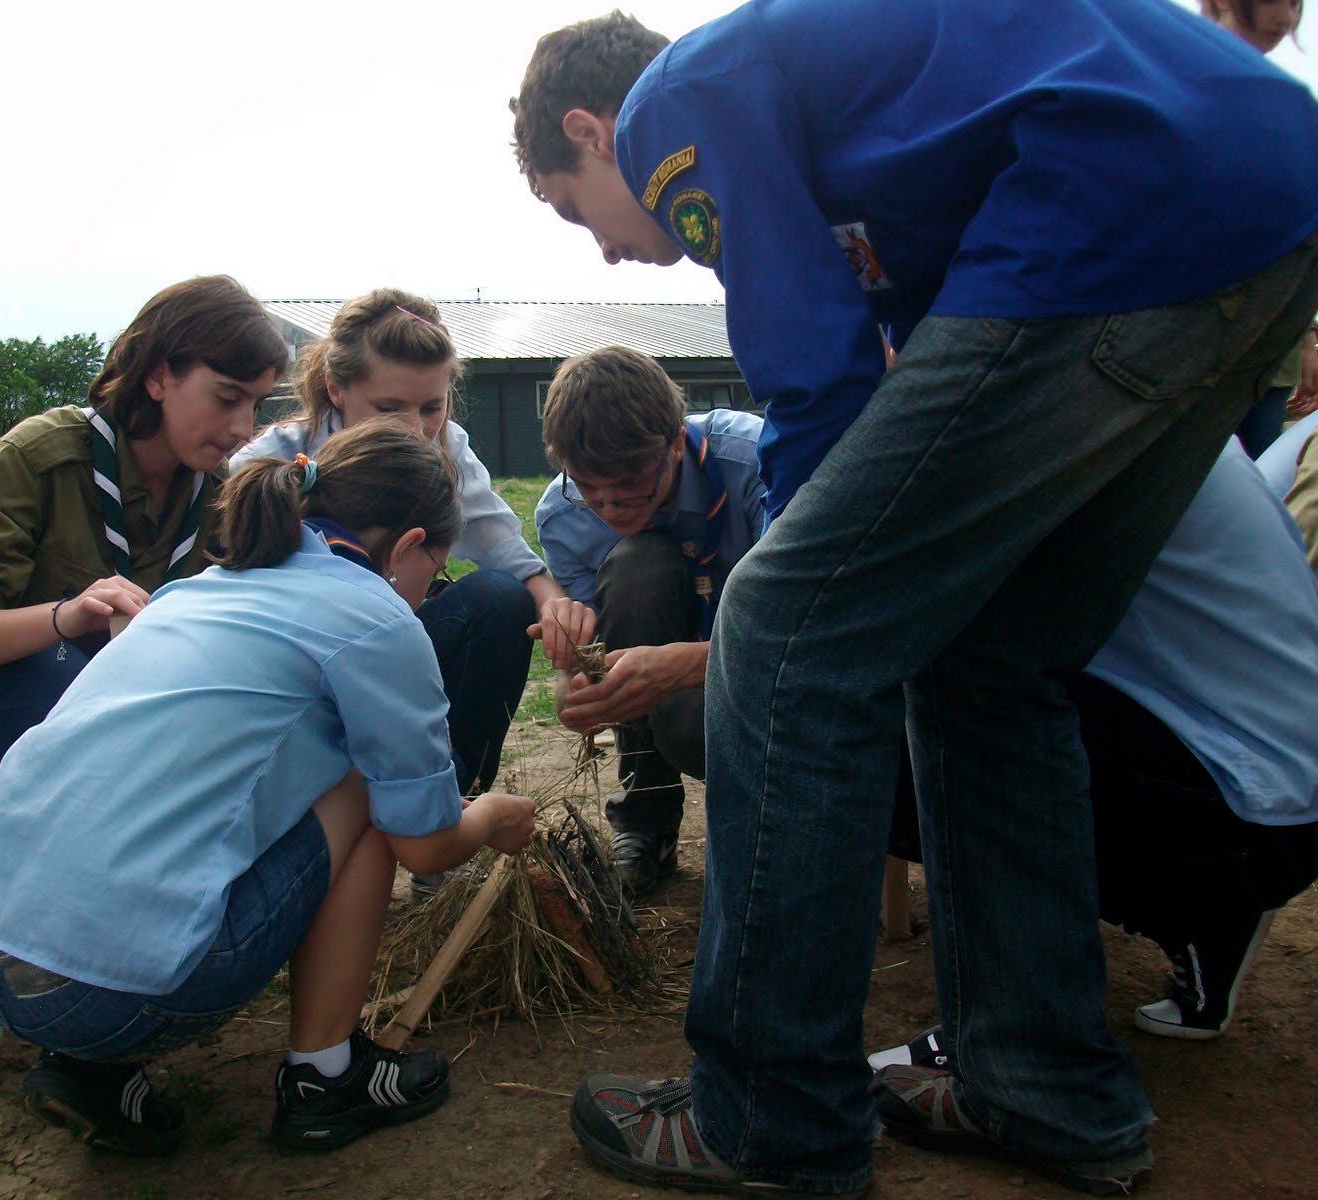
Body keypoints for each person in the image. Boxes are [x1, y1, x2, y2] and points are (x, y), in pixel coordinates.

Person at [510, 3, 1318, 1195]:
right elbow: (908, 331)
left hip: (1119, 205)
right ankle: (1039, 1082)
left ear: (592, 129)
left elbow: (816, 366)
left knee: (782, 624)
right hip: (1264, 199)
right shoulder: (856, 131)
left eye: (576, 209)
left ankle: (769, 1115)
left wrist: (805, 582)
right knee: (989, 653)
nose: (605, 251)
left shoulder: (674, 97)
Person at [0, 419, 536, 1155]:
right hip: (117, 998)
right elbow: (423, 846)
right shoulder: (377, 616)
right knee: (367, 785)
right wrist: (492, 817)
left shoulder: (189, 593)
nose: (428, 592)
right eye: (435, 571)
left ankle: (88, 1068)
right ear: (409, 545)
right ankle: (325, 1078)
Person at [0, 276, 289, 1046]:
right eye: (225, 398)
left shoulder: (218, 496)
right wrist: (66, 616)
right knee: (49, 665)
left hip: (104, 743)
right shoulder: (41, 457)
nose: (241, 428)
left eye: (256, 405)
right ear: (159, 375)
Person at [872, 442, 1318, 1071]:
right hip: (1276, 791)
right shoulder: (1152, 406)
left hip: (1232, 811)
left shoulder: (1048, 424)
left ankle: (1007, 1035)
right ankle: (1210, 925)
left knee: (922, 700)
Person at [232, 289, 586, 888]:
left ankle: (451, 823)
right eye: (389, 407)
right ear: (336, 390)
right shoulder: (274, 462)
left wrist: (557, 609)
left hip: (387, 638)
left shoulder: (448, 449)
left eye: (431, 407)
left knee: (499, 600)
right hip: (293, 665)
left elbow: (508, 554)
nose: (416, 429)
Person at [532, 346, 764, 895]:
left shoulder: (758, 463)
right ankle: (645, 820)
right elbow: (593, 655)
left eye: (629, 485)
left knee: (692, 723)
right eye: (588, 488)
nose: (610, 508)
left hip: (770, 671)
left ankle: (769, 823)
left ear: (676, 442)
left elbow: (806, 618)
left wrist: (687, 666)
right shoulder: (564, 515)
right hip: (680, 687)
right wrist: (576, 684)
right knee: (637, 563)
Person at [1198, 0, 1318, 450]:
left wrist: (1306, 339)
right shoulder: (1180, 76)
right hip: (1183, 343)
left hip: (1268, 353)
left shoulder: (1290, 104)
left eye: (1295, 3)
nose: (1285, 18)